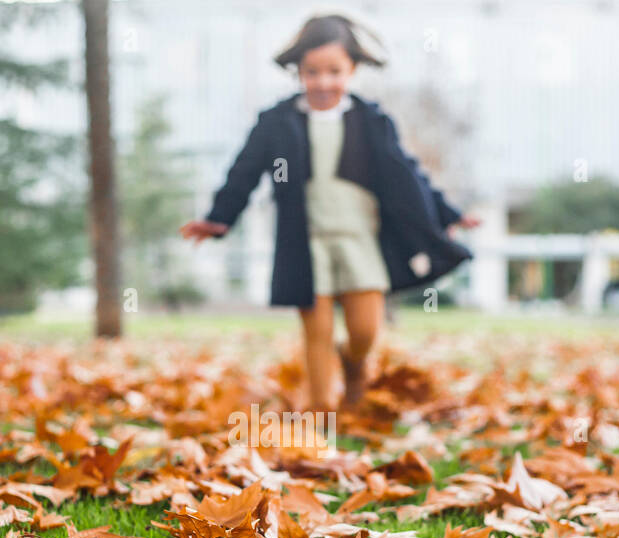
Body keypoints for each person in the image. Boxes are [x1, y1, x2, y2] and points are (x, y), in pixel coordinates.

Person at [180, 13, 480, 413]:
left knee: (365, 331)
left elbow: (409, 175)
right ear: (298, 71)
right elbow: (244, 172)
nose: (323, 82)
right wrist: (220, 217)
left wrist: (447, 214)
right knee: (316, 333)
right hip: (305, 242)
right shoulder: (277, 122)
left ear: (352, 69)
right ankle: (321, 411)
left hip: (360, 240)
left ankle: (353, 362)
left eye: (334, 71)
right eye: (312, 72)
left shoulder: (372, 121)